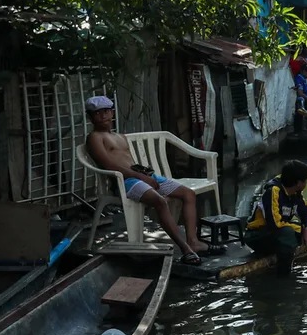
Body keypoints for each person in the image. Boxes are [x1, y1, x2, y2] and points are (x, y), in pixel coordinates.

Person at [83, 96, 211, 265]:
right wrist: (140, 177)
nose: (103, 116)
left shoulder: (119, 136)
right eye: (97, 113)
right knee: (160, 201)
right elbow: (108, 165)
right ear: (90, 117)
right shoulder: (94, 138)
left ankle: (193, 240)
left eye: (106, 111)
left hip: (140, 175)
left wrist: (146, 174)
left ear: (112, 112)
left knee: (188, 194)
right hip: (124, 182)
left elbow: (129, 161)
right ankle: (185, 248)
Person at [244, 160, 307, 275]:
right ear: (298, 183)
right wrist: (302, 230)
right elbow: (275, 224)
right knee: (287, 232)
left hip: (281, 235)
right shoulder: (273, 192)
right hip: (259, 236)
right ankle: (284, 276)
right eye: (305, 181)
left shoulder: (295, 194)